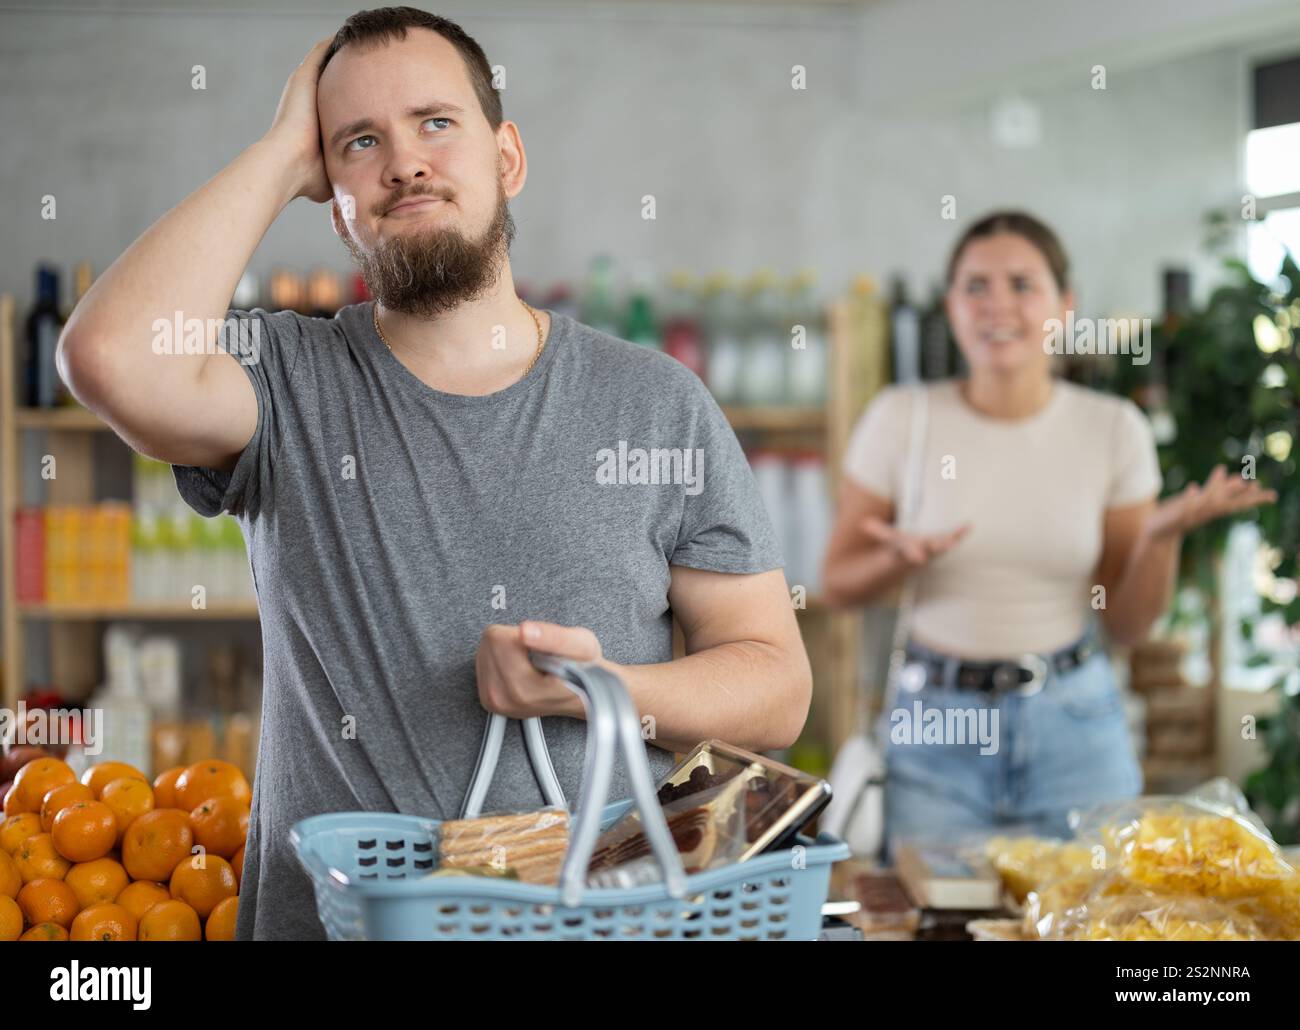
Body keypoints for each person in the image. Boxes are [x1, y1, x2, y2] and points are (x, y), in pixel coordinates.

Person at [58, 8, 811, 940]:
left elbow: (776, 687)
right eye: (360, 142)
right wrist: (280, 153)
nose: (405, 163)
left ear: (508, 158)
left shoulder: (656, 405)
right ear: (330, 194)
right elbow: (109, 358)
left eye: (436, 123)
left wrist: (602, 687)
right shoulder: (281, 383)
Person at [822, 211, 1274, 854]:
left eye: (1021, 284)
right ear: (950, 306)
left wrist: (1160, 538)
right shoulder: (901, 419)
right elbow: (838, 584)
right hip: (935, 729)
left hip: (1075, 727)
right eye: (975, 286)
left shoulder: (1113, 429)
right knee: (937, 907)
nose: (997, 305)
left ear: (1065, 305)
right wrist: (901, 560)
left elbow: (1126, 627)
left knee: (1090, 904)